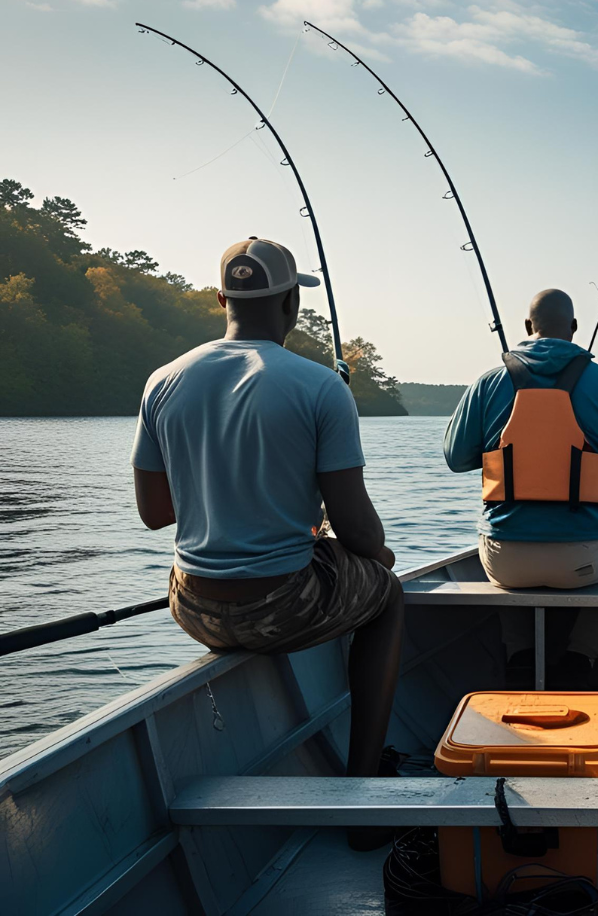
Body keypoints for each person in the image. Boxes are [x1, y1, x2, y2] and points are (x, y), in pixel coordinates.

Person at [131, 237, 403, 846]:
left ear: (222, 297)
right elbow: (358, 532)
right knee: (385, 595)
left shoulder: (162, 381)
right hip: (280, 607)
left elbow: (155, 514)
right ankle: (364, 795)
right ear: (290, 305)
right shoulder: (320, 387)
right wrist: (378, 559)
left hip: (194, 610)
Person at [444, 289, 598, 685]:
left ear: (528, 328)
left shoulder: (488, 383)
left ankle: (520, 653)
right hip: (585, 561)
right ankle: (580, 657)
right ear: (574, 329)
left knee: (501, 542)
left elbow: (455, 458)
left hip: (504, 561)